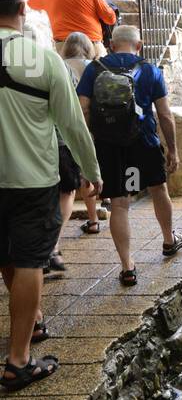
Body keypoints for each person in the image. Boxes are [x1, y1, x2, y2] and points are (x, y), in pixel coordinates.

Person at [0, 0, 102, 391]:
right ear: (23, 10)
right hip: (32, 177)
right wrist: (91, 172)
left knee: (8, 253)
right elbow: (73, 125)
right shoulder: (42, 59)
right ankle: (18, 359)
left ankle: (34, 322)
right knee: (28, 259)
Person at [77, 25, 182, 286]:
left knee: (120, 203)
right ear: (140, 45)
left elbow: (83, 109)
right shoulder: (150, 70)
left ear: (112, 45)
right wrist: (172, 149)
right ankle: (169, 240)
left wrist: (93, 141)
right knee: (159, 190)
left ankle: (128, 267)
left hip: (109, 146)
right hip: (144, 142)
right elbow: (165, 115)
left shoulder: (94, 69)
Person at [45, 32, 101, 272]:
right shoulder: (94, 67)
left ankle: (92, 221)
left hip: (54, 135)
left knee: (68, 185)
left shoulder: (55, 65)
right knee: (70, 189)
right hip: (77, 133)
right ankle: (54, 245)